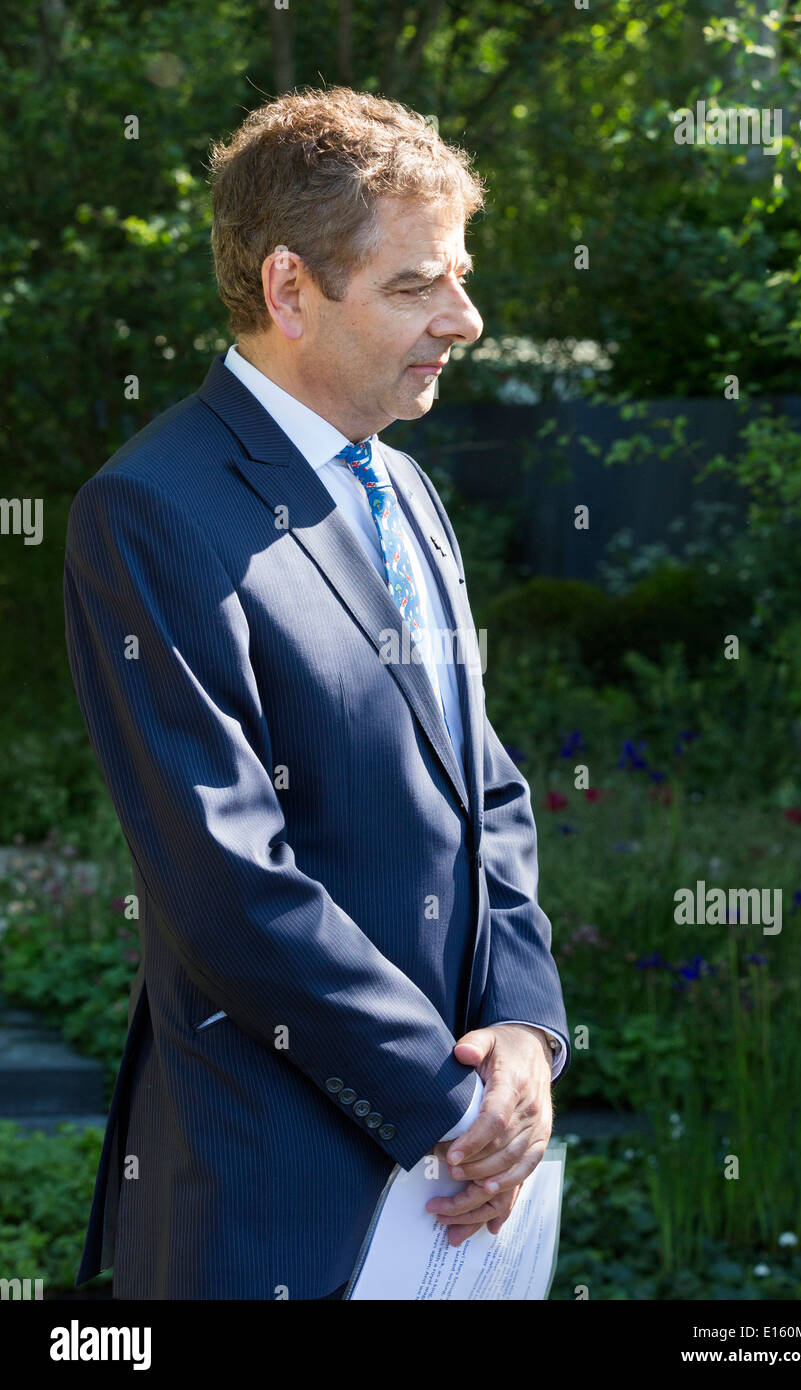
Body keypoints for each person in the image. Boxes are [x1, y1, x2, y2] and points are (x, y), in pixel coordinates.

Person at [63, 85, 570, 1301]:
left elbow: (480, 784)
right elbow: (225, 882)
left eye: (457, 275)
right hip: (272, 1191)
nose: (466, 317)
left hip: (462, 1185)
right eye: (414, 286)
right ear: (289, 289)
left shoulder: (404, 491)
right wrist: (447, 1105)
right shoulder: (149, 512)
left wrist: (520, 1030)